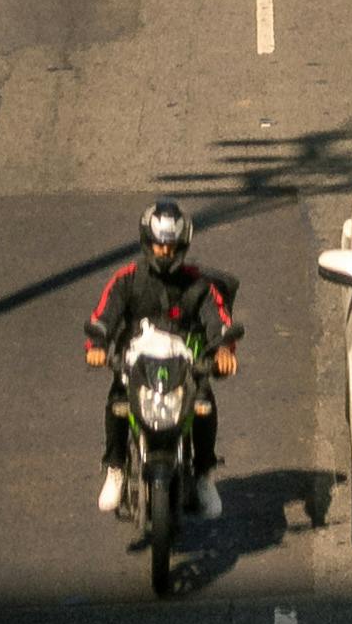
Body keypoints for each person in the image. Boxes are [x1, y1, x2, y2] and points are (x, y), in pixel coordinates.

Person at [83, 198, 237, 515]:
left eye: (171, 245)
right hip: (135, 365)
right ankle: (115, 468)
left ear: (182, 245)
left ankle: (204, 474)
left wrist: (223, 350)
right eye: (159, 244)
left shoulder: (199, 285)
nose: (164, 251)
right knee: (117, 402)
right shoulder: (127, 279)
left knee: (204, 404)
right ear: (147, 242)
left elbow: (219, 321)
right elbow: (103, 317)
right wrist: (97, 346)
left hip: (184, 365)